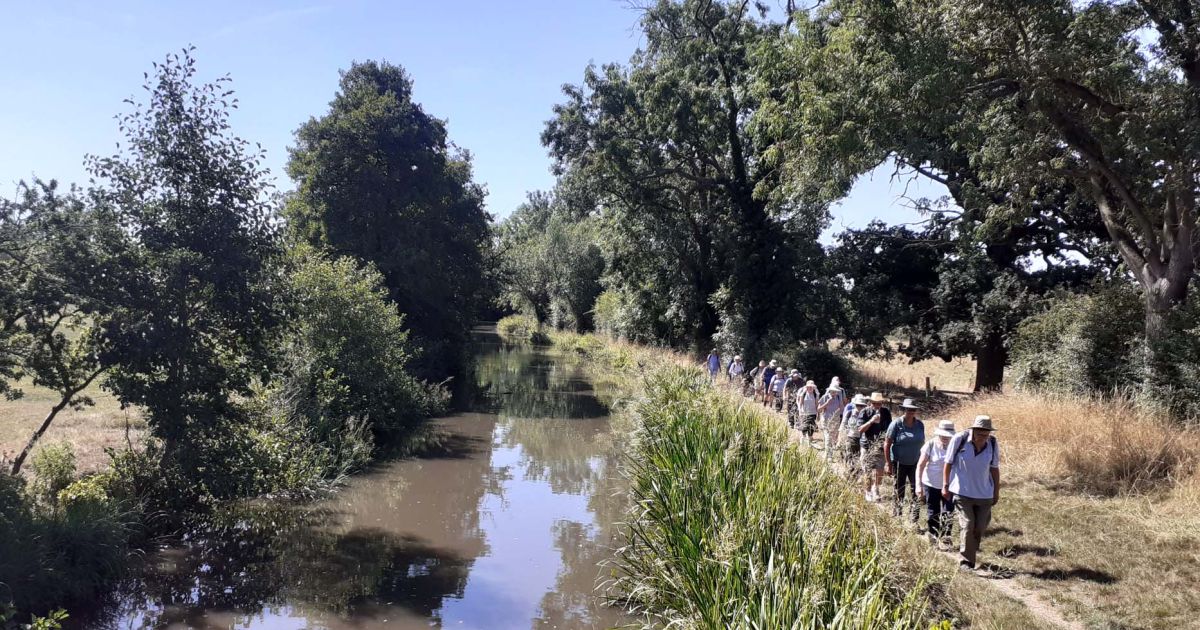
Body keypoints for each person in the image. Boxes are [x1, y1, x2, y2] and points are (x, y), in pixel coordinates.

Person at [942, 415, 1001, 571]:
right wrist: (945, 485)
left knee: (979, 527)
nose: (984, 437)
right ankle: (966, 561)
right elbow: (947, 463)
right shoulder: (959, 440)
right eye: (981, 434)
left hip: (984, 494)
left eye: (986, 434)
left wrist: (996, 491)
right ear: (973, 431)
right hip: (962, 492)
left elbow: (994, 469)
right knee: (968, 524)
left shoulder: (993, 444)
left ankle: (970, 550)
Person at [884, 399, 926, 524]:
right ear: (904, 410)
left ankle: (914, 519)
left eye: (913, 410)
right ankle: (897, 515)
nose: (911, 412)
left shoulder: (920, 425)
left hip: (915, 463)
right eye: (908, 409)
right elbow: (887, 443)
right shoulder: (896, 424)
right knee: (899, 489)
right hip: (899, 462)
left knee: (916, 489)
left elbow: (922, 443)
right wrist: (888, 463)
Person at [917, 420, 957, 549]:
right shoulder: (930, 444)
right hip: (931, 483)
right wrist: (919, 485)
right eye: (943, 435)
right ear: (938, 434)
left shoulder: (956, 446)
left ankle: (945, 538)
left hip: (950, 485)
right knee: (933, 511)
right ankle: (933, 537)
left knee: (948, 511)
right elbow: (921, 465)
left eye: (948, 435)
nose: (945, 438)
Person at [857, 392, 891, 502]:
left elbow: (889, 429)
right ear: (870, 403)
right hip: (867, 444)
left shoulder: (885, 412)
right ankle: (867, 491)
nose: (877, 405)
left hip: (880, 445)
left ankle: (875, 489)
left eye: (879, 403)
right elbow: (860, 430)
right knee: (867, 470)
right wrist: (871, 421)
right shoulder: (864, 412)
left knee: (879, 470)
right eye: (875, 403)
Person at [817, 378, 847, 462]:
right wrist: (827, 403)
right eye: (833, 391)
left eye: (836, 391)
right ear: (829, 390)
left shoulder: (838, 397)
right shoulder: (825, 397)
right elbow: (819, 409)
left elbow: (841, 408)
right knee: (828, 437)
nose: (834, 393)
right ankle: (829, 456)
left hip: (835, 420)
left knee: (832, 438)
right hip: (826, 419)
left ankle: (826, 454)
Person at [843, 394, 868, 477]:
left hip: (863, 439)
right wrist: (841, 438)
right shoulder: (849, 413)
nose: (859, 407)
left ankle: (856, 476)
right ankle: (848, 475)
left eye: (862, 405)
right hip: (851, 438)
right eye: (858, 405)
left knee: (859, 458)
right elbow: (843, 425)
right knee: (850, 457)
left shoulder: (867, 415)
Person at [797, 380, 821, 445]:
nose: (810, 388)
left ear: (813, 388)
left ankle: (809, 441)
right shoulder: (803, 394)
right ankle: (802, 441)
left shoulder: (815, 395)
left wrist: (818, 414)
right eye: (808, 387)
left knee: (811, 428)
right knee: (804, 427)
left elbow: (817, 405)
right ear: (806, 387)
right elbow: (800, 403)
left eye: (811, 387)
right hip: (804, 413)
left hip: (813, 414)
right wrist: (800, 412)